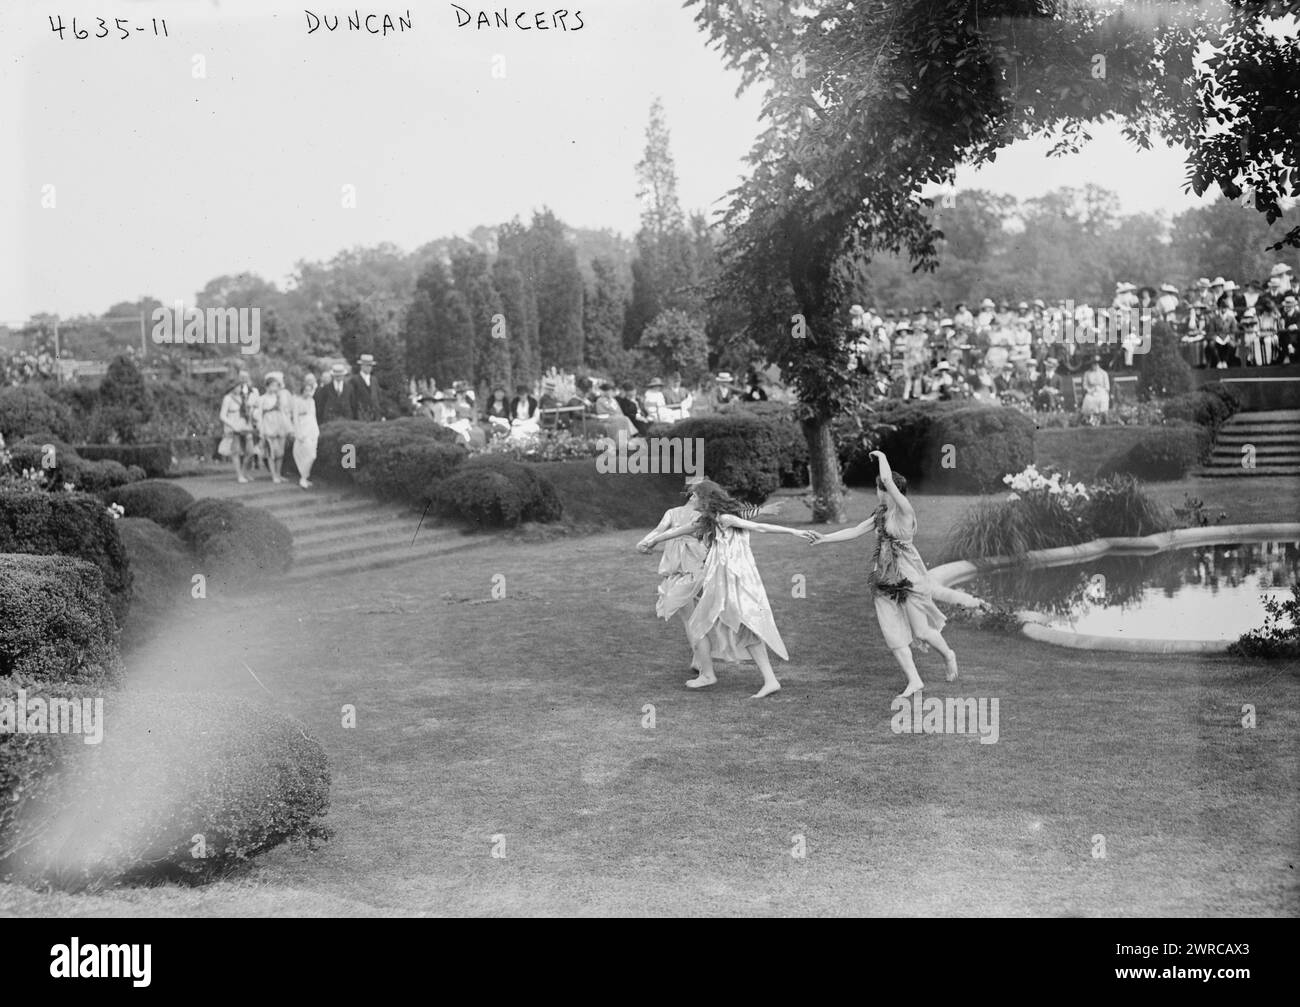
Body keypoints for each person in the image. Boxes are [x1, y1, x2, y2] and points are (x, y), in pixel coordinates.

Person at [808, 451, 988, 697]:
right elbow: (855, 530)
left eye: (878, 488)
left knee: (922, 631)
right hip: (883, 577)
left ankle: (948, 654)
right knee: (892, 632)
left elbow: (888, 481)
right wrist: (824, 538)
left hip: (909, 578)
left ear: (887, 490)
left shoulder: (905, 510)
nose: (877, 493)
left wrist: (882, 456)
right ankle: (914, 680)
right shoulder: (880, 513)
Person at [637, 479, 811, 698]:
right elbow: (678, 531)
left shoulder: (726, 519)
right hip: (719, 583)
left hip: (734, 581)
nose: (692, 500)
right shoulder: (706, 521)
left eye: (696, 496)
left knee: (729, 625)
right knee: (738, 628)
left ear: (705, 499)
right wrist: (652, 541)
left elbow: (760, 527)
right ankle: (764, 679)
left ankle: (713, 672)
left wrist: (794, 532)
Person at [218, 369, 261, 483]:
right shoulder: (227, 398)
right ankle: (239, 475)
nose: (239, 388)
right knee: (236, 451)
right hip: (233, 426)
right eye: (237, 387)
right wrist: (232, 425)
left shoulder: (243, 396)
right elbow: (222, 415)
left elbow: (250, 408)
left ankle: (244, 471)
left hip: (245, 425)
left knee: (250, 451)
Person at [258, 372, 293, 484]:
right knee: (270, 453)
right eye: (272, 385)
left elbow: (284, 412)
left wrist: (288, 427)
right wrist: (260, 430)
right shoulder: (262, 399)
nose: (275, 388)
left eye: (276, 385)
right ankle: (273, 475)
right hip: (268, 426)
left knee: (280, 453)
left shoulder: (279, 397)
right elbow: (259, 415)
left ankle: (278, 474)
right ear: (267, 386)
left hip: (280, 425)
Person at [291, 373, 320, 489]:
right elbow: (295, 418)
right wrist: (298, 433)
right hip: (302, 430)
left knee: (312, 455)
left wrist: (316, 431)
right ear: (302, 391)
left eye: (310, 391)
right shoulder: (297, 401)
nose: (308, 393)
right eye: (306, 391)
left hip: (312, 430)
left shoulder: (312, 401)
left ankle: (305, 477)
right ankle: (303, 478)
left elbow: (314, 416)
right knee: (308, 455)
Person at [349, 353, 383, 420]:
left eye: (370, 365)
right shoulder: (354, 380)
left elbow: (378, 398)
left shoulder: (374, 380)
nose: (369, 367)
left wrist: (379, 414)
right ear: (361, 366)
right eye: (366, 365)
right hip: (360, 416)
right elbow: (351, 400)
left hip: (375, 417)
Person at [1080, 356, 1110, 425]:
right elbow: (1084, 385)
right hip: (1091, 392)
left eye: (1097, 364)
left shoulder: (1104, 373)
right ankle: (1090, 419)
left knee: (1102, 399)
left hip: (1101, 392)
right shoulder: (1087, 374)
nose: (1095, 365)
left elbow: (1107, 387)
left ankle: (1102, 418)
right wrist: (1090, 390)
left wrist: (1101, 390)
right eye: (1093, 364)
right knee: (1088, 399)